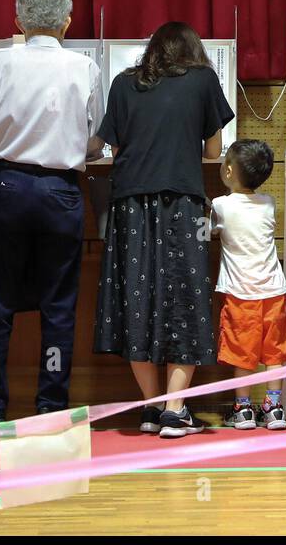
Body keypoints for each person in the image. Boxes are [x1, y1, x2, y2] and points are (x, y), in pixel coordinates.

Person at [0, 0, 103, 425]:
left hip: (6, 185)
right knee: (58, 304)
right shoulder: (84, 67)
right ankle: (50, 403)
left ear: (17, 21)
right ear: (68, 21)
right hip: (61, 191)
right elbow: (94, 141)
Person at [94, 22, 235, 439]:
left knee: (134, 302)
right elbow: (213, 149)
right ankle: (176, 409)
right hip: (183, 202)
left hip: (130, 205)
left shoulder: (123, 84)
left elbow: (115, 149)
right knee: (186, 301)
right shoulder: (204, 79)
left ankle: (152, 407)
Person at [212, 139, 286, 430]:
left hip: (239, 293)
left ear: (229, 171)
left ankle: (243, 408)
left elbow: (208, 232)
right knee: (275, 351)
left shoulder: (220, 205)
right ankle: (274, 408)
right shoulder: (268, 203)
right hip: (273, 290)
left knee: (242, 352)